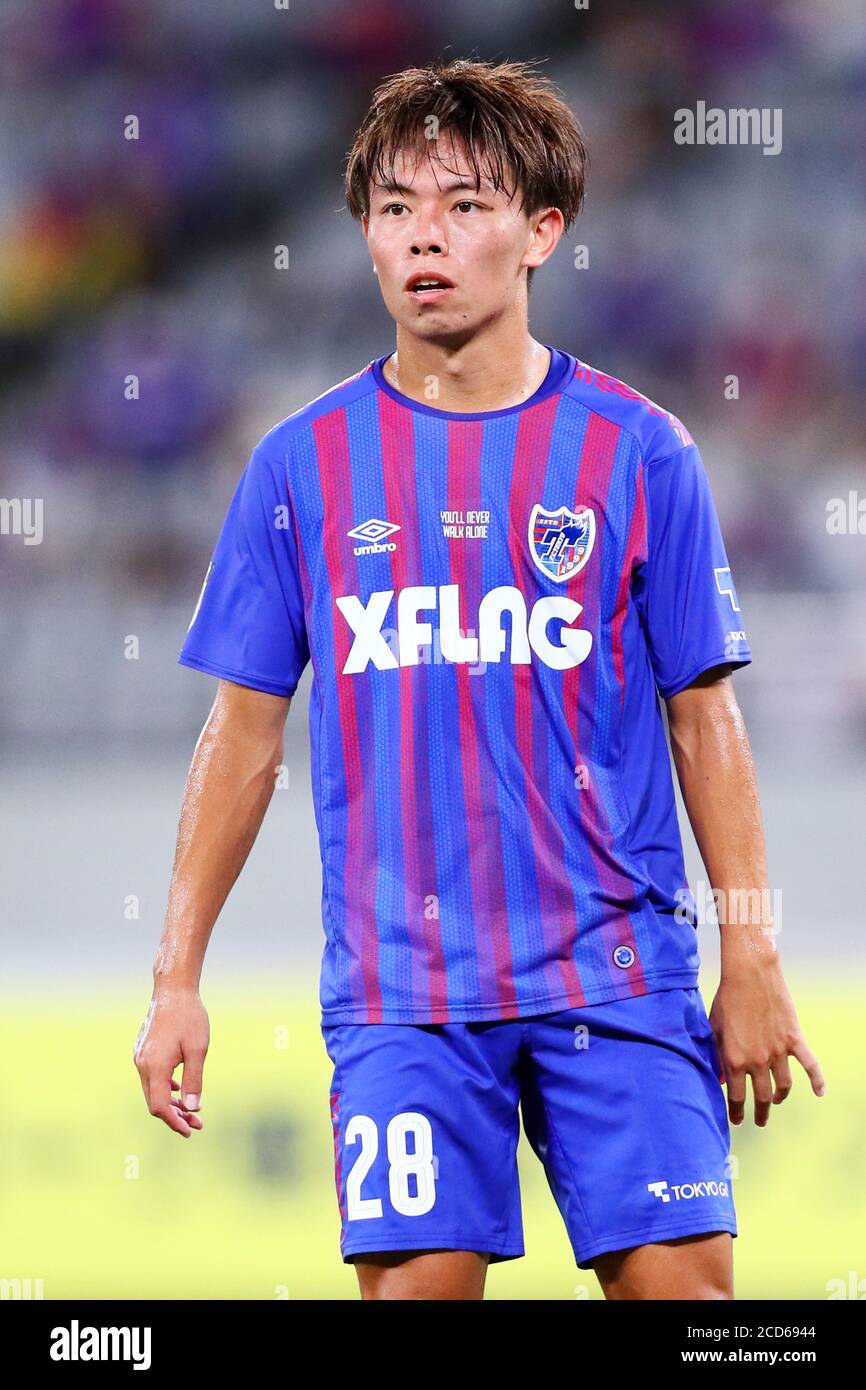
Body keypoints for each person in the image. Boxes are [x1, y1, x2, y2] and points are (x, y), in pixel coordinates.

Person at [134, 59, 825, 1301]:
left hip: (614, 978)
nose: (423, 239)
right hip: (404, 994)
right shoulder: (298, 468)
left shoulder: (639, 451)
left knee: (696, 1312)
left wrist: (752, 954)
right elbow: (239, 736)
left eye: (462, 206)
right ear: (362, 236)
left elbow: (701, 717)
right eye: (395, 209)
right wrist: (175, 975)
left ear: (540, 231)